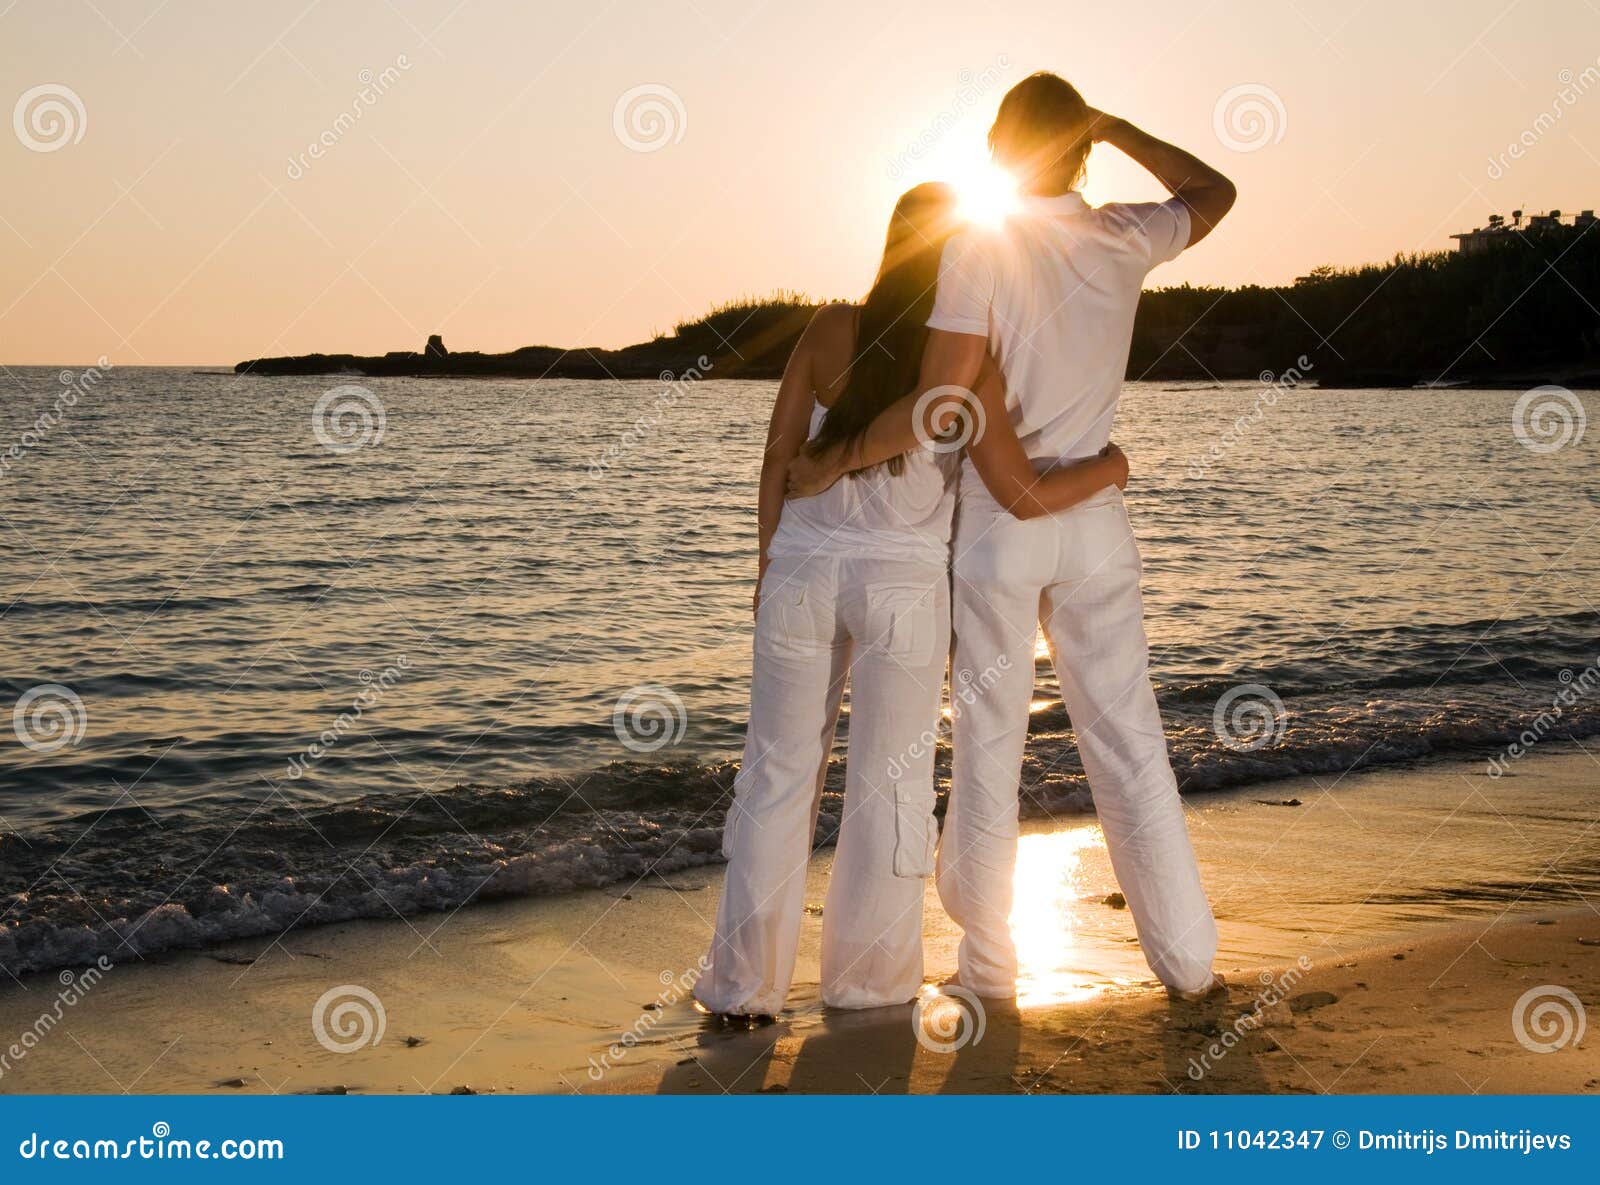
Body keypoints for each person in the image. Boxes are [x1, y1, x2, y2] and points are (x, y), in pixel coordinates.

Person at [787, 73, 1238, 1001]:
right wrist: (1114, 128)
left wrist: (838, 460)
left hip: (1002, 531)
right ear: (1079, 149)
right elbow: (1213, 193)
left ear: (997, 150)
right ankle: (1188, 962)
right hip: (1096, 530)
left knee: (992, 746)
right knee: (1129, 741)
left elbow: (943, 399)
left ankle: (990, 970)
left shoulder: (980, 250)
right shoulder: (1120, 235)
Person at [696, 182, 1131, 1017]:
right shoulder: (971, 355)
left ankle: (741, 987)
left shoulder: (828, 328)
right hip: (902, 583)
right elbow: (1009, 486)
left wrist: (766, 560)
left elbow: (778, 454)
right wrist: (1110, 467)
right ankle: (868, 983)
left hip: (802, 566)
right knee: (887, 783)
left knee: (777, 775)